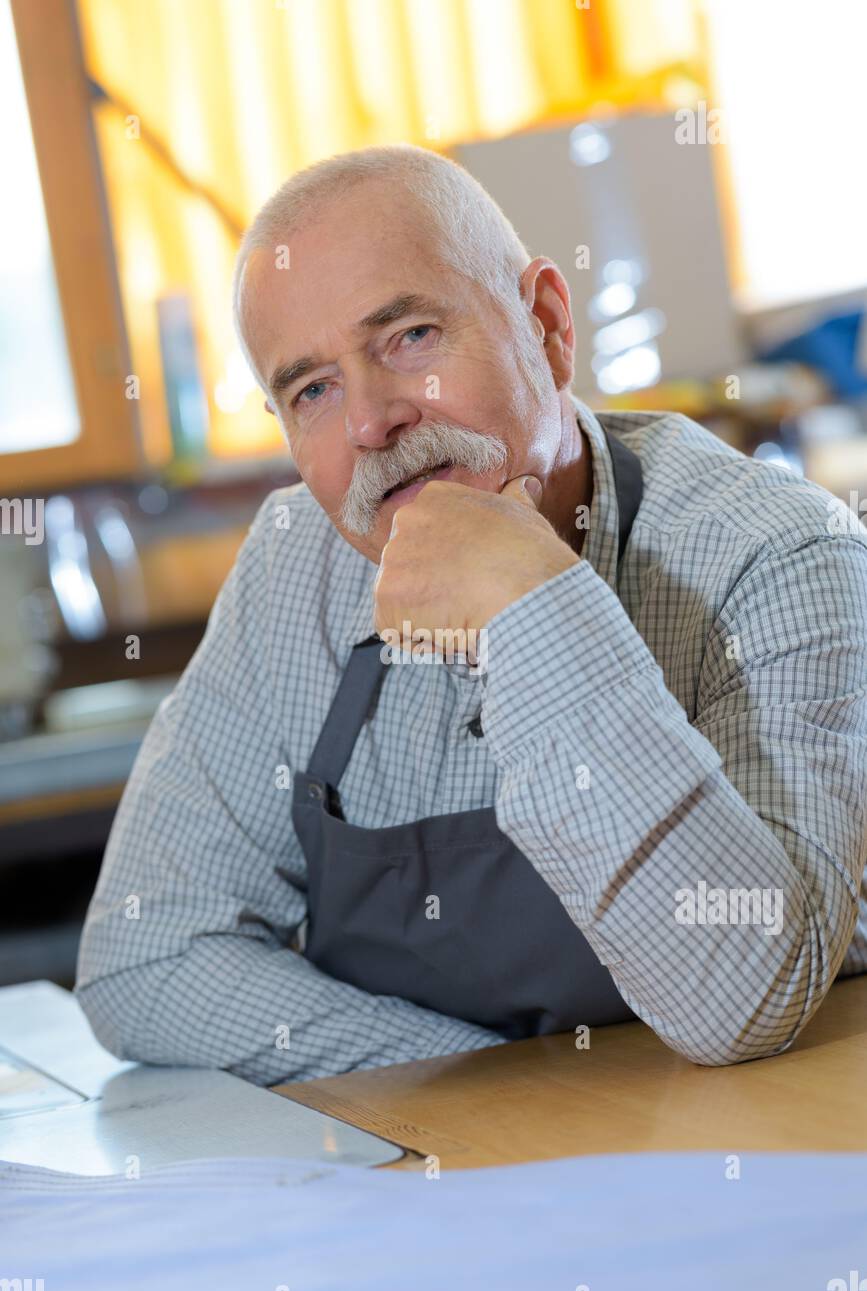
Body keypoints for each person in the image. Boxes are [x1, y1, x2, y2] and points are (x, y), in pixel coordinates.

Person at [76, 145, 867, 1084]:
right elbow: (146, 957)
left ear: (544, 325)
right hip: (450, 1191)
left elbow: (742, 1000)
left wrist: (536, 611)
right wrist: (482, 1088)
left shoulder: (781, 553)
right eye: (313, 389)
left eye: (408, 336)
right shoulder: (295, 564)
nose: (371, 422)